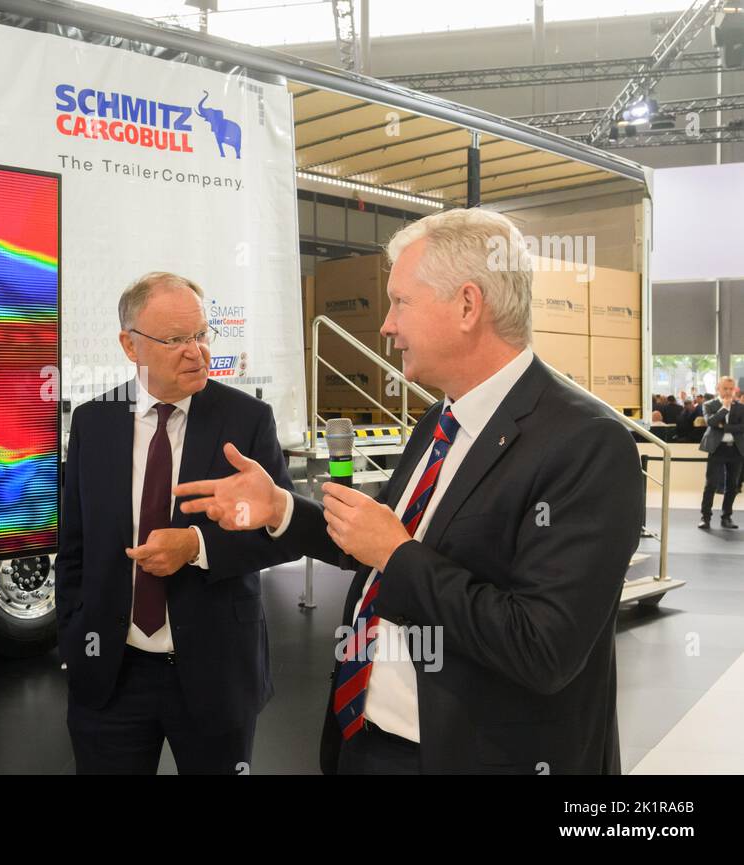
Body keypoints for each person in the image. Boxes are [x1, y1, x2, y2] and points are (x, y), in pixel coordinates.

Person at [176, 209, 643, 774]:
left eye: (401, 301)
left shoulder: (588, 444)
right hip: (367, 743)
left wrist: (398, 554)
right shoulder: (440, 420)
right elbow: (371, 547)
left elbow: (542, 647)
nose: (386, 326)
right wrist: (280, 509)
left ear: (468, 306)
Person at [56, 271, 297, 774]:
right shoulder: (94, 422)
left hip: (215, 672)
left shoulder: (247, 420)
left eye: (202, 334)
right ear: (130, 345)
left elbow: (281, 536)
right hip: (110, 675)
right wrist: (74, 636)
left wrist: (196, 546)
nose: (197, 352)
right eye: (175, 340)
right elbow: (75, 543)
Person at [698, 376, 744, 530]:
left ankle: (727, 517)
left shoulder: (740, 407)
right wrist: (724, 408)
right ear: (718, 388)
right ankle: (705, 517)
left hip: (736, 449)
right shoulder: (709, 404)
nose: (728, 391)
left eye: (731, 389)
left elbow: (742, 427)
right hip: (717, 449)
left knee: (732, 485)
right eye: (725, 388)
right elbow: (710, 422)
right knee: (711, 484)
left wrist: (723, 427)